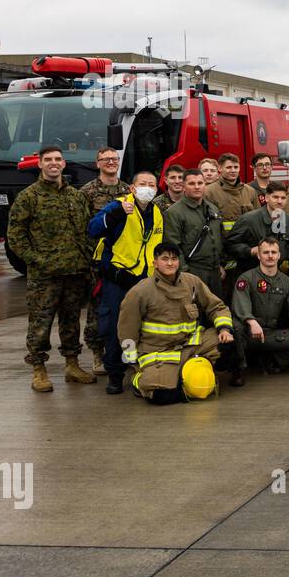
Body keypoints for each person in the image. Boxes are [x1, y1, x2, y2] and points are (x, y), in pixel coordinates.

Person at [7, 146, 96, 392]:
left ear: (64, 164)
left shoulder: (76, 197)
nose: (53, 163)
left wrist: (86, 257)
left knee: (71, 321)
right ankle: (39, 370)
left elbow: (87, 229)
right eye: (48, 160)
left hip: (75, 271)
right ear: (40, 164)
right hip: (45, 275)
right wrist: (35, 260)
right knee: (40, 323)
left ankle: (72, 365)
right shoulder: (29, 197)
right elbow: (15, 235)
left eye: (57, 159)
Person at [118, 241, 235, 404]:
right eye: (165, 259)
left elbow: (216, 306)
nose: (170, 263)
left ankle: (190, 371)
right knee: (161, 397)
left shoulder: (191, 282)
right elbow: (127, 330)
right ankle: (140, 380)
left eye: (174, 259)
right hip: (158, 352)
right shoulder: (140, 292)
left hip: (190, 344)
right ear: (155, 263)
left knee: (228, 344)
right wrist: (134, 363)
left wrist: (224, 329)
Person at [88, 170, 163, 394]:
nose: (147, 188)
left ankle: (138, 368)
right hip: (117, 279)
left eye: (152, 185)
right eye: (143, 184)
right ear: (132, 187)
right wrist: (115, 215)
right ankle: (115, 374)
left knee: (144, 328)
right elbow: (93, 229)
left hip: (145, 281)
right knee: (115, 328)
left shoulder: (157, 212)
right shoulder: (118, 206)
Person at [230, 236, 289, 385]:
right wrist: (252, 322)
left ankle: (272, 361)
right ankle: (239, 370)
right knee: (235, 328)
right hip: (249, 334)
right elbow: (240, 304)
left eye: (273, 252)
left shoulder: (287, 283)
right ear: (258, 255)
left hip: (271, 335)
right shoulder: (246, 278)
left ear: (279, 255)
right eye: (265, 252)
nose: (270, 256)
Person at [79, 147, 130, 375]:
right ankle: (97, 353)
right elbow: (82, 228)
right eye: (106, 159)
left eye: (114, 159)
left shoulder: (128, 190)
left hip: (123, 262)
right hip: (96, 262)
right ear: (97, 163)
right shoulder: (87, 192)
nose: (111, 162)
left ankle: (123, 353)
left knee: (124, 309)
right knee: (97, 311)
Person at [163, 169, 225, 296]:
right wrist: (185, 272)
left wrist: (221, 264)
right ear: (183, 186)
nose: (197, 187)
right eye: (192, 184)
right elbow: (173, 246)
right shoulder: (174, 212)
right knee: (195, 310)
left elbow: (220, 238)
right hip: (193, 270)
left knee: (216, 309)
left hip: (215, 270)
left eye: (200, 183)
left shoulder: (212, 208)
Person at [226, 181, 289, 279]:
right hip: (249, 275)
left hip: (276, 276)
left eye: (283, 198)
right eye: (275, 197)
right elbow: (230, 244)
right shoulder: (248, 220)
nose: (279, 201)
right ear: (266, 198)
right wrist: (250, 251)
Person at [205, 152, 260, 233]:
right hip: (222, 242)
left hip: (246, 241)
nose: (233, 170)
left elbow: (258, 218)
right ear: (220, 168)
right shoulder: (208, 192)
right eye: (229, 167)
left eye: (236, 167)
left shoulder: (250, 191)